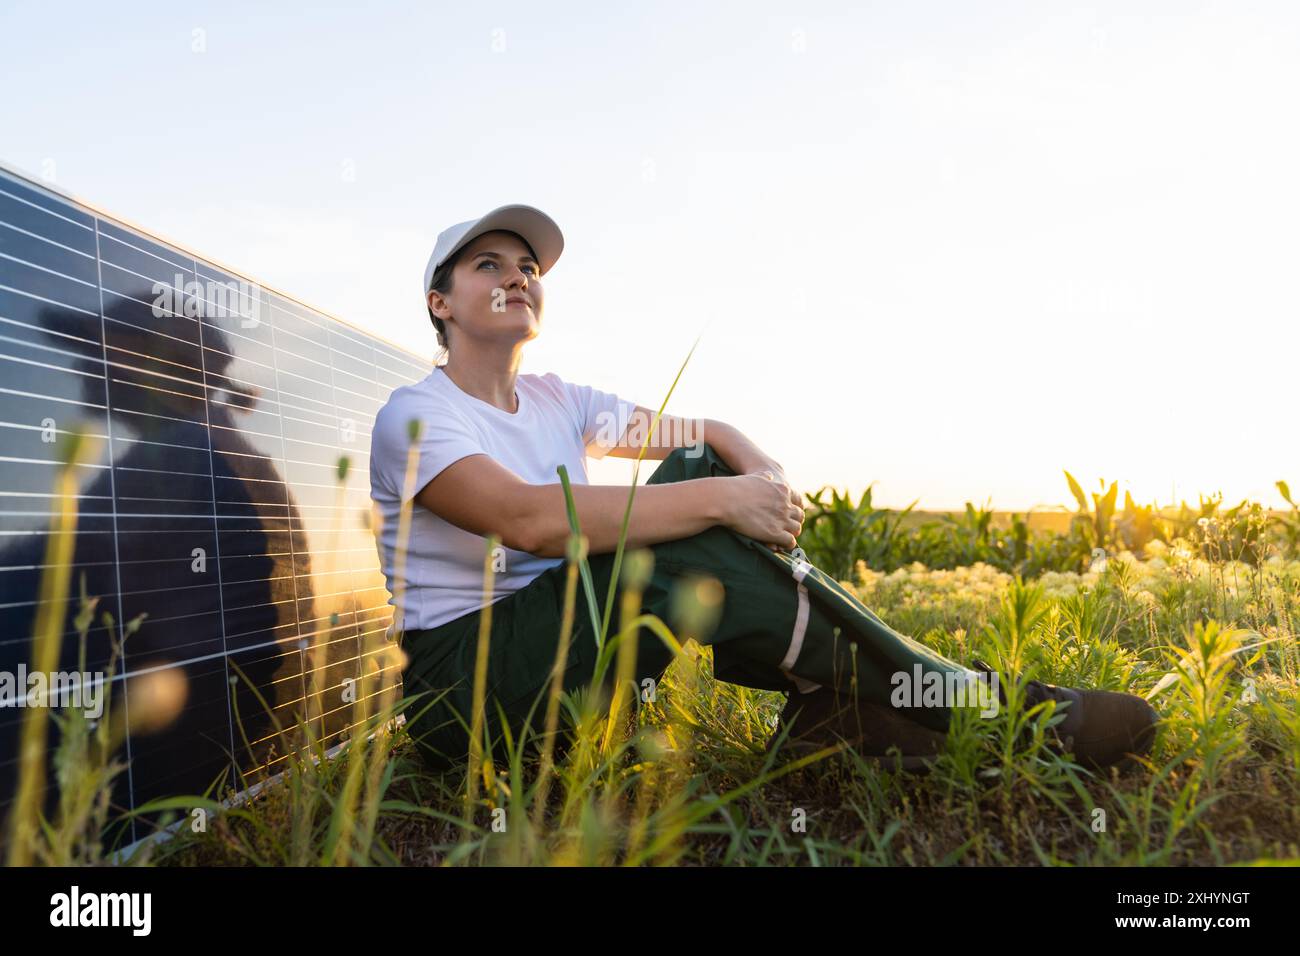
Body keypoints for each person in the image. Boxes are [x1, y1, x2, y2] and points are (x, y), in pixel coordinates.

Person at [368, 204, 1160, 776]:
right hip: (468, 691)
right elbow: (529, 522)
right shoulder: (418, 413)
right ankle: (998, 712)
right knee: (692, 527)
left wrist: (762, 479)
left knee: (699, 477)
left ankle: (833, 708)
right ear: (440, 304)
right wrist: (722, 503)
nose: (519, 277)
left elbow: (701, 435)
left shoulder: (556, 399)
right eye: (490, 265)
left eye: (529, 268)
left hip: (570, 656)